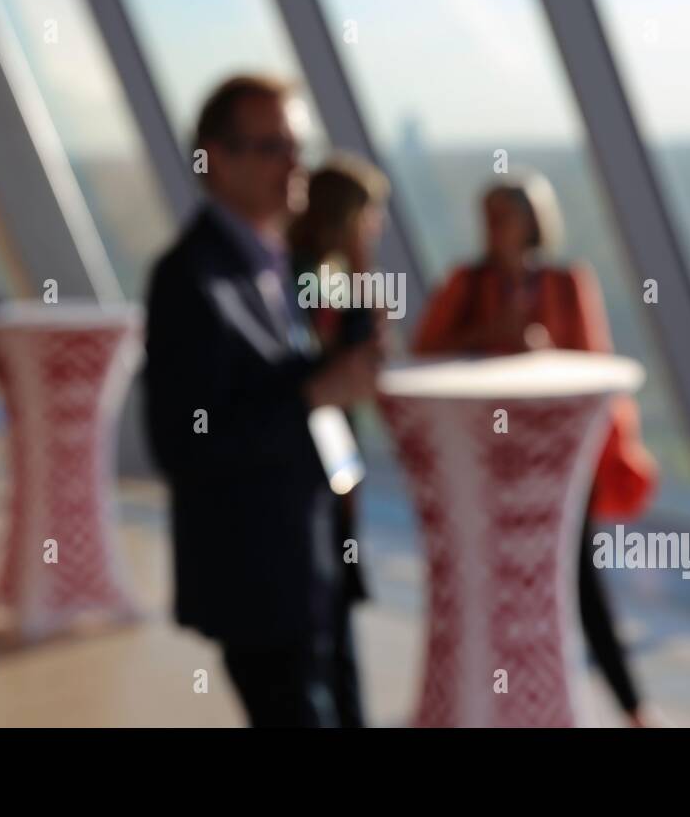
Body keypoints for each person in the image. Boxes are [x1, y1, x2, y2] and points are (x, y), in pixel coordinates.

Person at [143, 75, 380, 727]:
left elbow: (290, 378)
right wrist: (314, 394)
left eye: (296, 144)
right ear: (217, 158)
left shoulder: (274, 262)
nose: (295, 163)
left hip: (312, 558)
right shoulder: (190, 278)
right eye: (274, 146)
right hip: (258, 580)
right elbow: (183, 442)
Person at [413, 171, 661, 727]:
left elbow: (595, 368)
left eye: (505, 213)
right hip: (485, 468)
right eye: (489, 214)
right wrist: (488, 334)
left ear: (531, 220)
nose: (494, 226)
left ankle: (626, 706)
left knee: (573, 583)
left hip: (555, 467)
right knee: (494, 589)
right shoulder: (467, 283)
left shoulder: (565, 283)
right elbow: (424, 349)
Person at [286, 151, 392, 728]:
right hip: (316, 451)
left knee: (335, 605)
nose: (374, 228)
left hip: (332, 447)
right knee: (326, 605)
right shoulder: (309, 274)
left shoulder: (322, 271)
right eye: (369, 216)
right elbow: (353, 354)